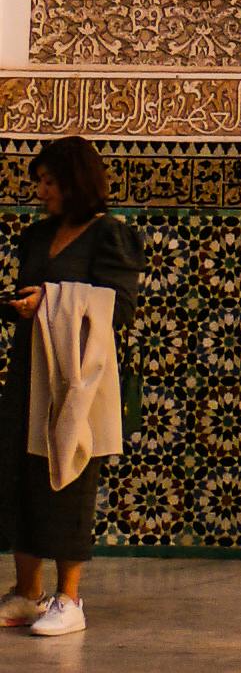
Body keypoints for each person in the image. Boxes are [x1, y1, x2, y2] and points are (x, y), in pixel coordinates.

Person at [6, 133, 138, 642]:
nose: (41, 192)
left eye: (49, 182)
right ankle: (27, 592)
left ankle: (69, 597)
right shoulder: (37, 236)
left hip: (78, 377)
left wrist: (50, 300)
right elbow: (32, 294)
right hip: (29, 372)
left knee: (70, 475)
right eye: (40, 182)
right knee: (19, 473)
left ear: (75, 182)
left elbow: (117, 307)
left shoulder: (108, 236)